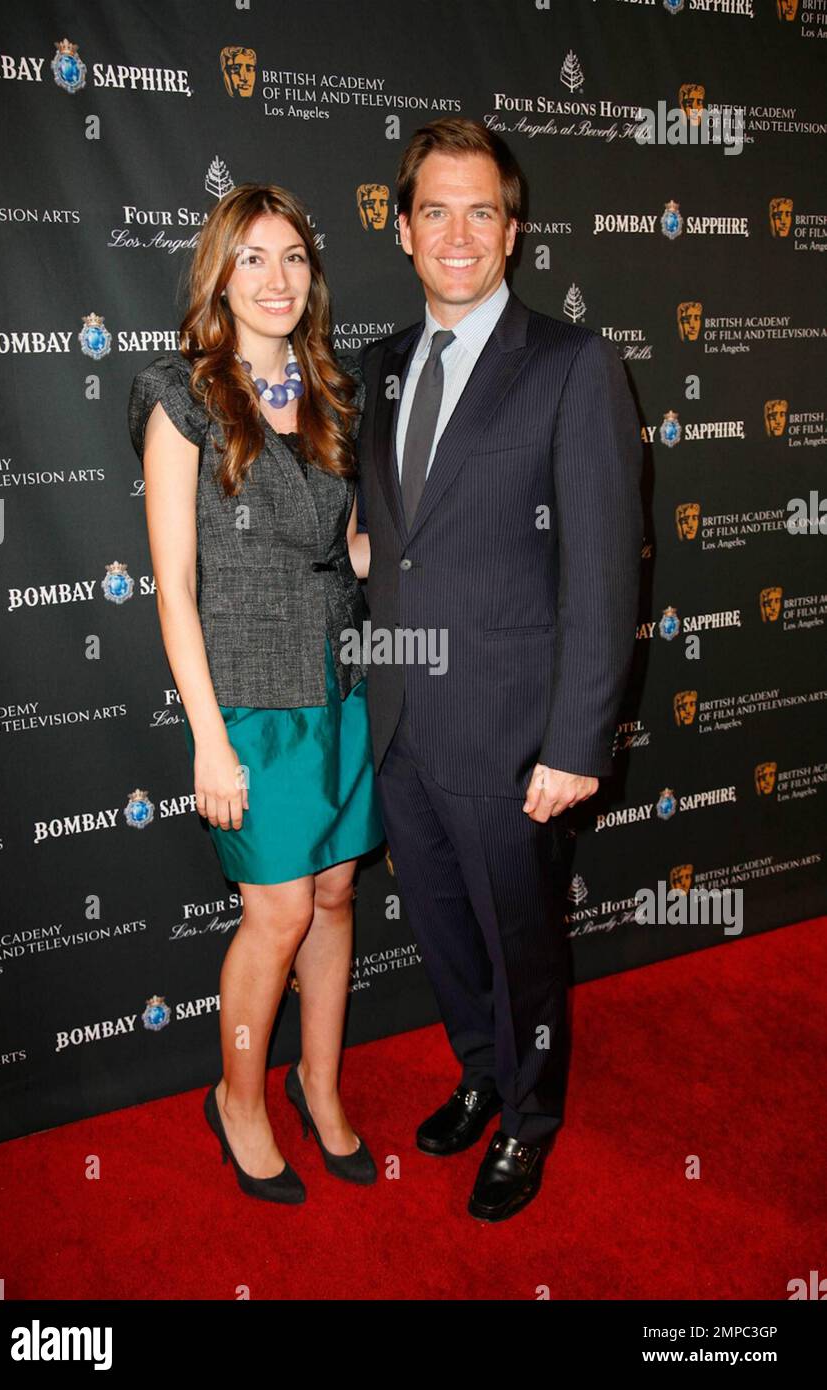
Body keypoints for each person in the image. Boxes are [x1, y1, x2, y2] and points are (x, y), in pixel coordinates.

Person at [357, 118, 643, 1222]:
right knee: (440, 928)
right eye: (437, 208)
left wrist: (576, 744)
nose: (460, 232)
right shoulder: (379, 367)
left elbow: (604, 571)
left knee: (522, 948)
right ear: (402, 227)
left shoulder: (573, 366)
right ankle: (479, 1067)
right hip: (400, 723)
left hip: (513, 732)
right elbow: (396, 535)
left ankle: (528, 1118)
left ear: (512, 232)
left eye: (483, 211)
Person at [127, 184, 385, 1204]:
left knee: (333, 894)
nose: (276, 279)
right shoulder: (182, 397)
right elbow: (175, 584)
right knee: (275, 910)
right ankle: (238, 1097)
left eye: (292, 258)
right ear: (219, 277)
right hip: (244, 700)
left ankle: (318, 1087)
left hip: (340, 681)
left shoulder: (333, 395)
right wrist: (206, 740)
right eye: (252, 260)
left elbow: (349, 551)